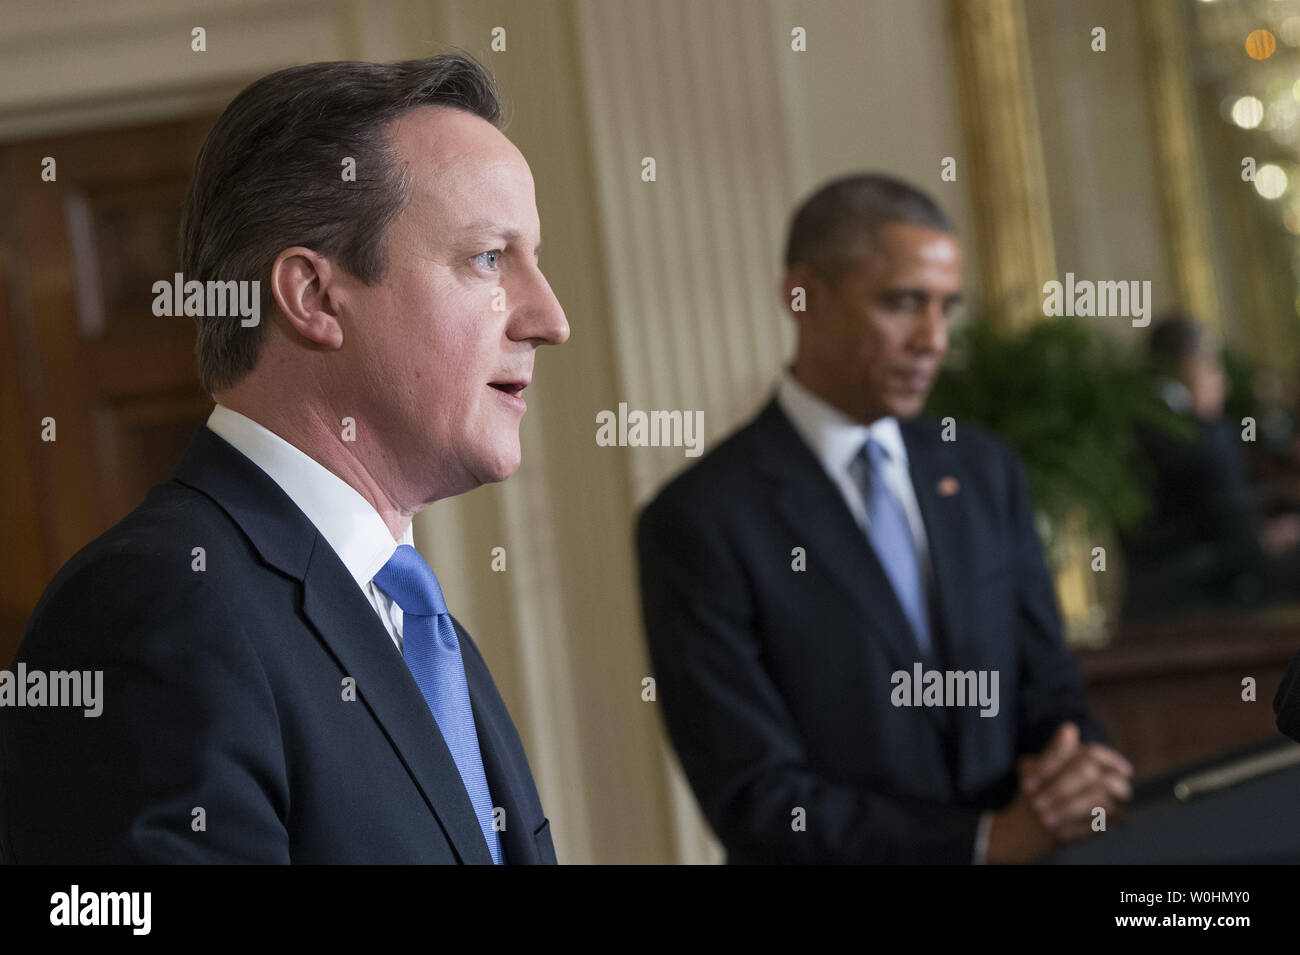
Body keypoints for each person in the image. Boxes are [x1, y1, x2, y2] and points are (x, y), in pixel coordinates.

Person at [0, 54, 569, 863]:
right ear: (312, 296)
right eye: (488, 259)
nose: (549, 317)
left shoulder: (420, 629)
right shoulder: (154, 605)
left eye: (533, 260)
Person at [636, 174, 1132, 864]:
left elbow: (1050, 691)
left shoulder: (985, 470)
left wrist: (1084, 764)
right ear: (802, 296)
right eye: (903, 303)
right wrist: (983, 843)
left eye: (945, 308)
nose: (933, 339)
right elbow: (758, 798)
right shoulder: (700, 519)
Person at [1121, 313, 1300, 620]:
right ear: (1190, 364)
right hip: (1210, 609)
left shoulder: (1127, 429)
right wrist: (1272, 536)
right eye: (1215, 366)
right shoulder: (1207, 435)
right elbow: (1241, 547)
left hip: (1142, 608)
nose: (1223, 381)